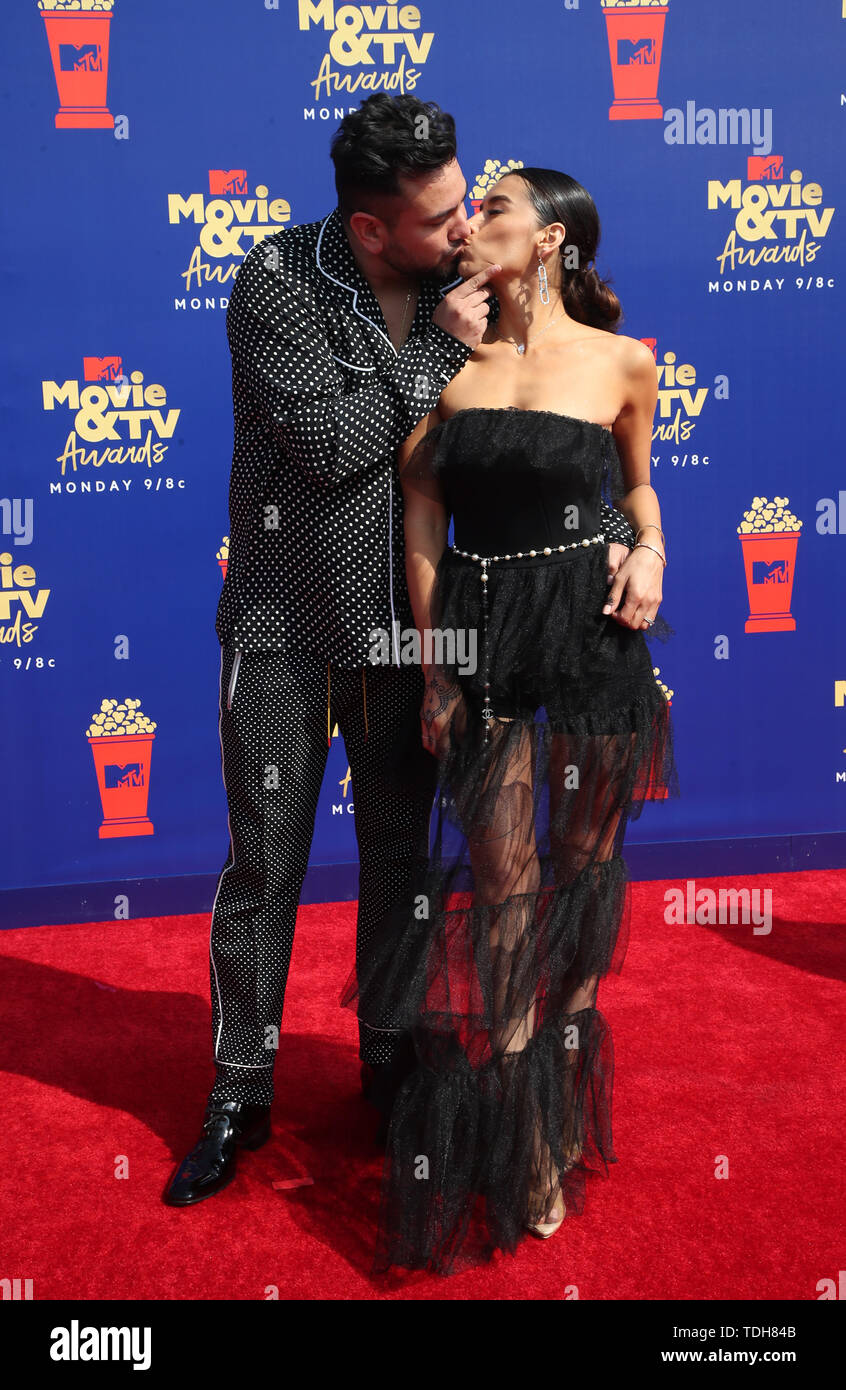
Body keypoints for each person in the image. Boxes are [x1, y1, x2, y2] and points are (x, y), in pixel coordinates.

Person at [163, 95, 638, 1208]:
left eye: (469, 197)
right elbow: (330, 445)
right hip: (285, 624)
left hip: (416, 629)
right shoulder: (276, 280)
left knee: (402, 865)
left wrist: (627, 539)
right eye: (437, 216)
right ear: (372, 228)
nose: (464, 223)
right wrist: (436, 349)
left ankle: (386, 1061)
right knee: (264, 869)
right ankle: (240, 1089)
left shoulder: (458, 278)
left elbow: (544, 441)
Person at [342, 166, 680, 1275]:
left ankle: (558, 1088)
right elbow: (423, 525)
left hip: (593, 647)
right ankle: (523, 1129)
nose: (470, 223)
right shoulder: (454, 369)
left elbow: (637, 488)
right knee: (504, 894)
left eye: (493, 208)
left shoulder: (624, 363)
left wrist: (653, 549)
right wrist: (439, 672)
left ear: (548, 242)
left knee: (583, 880)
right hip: (486, 652)